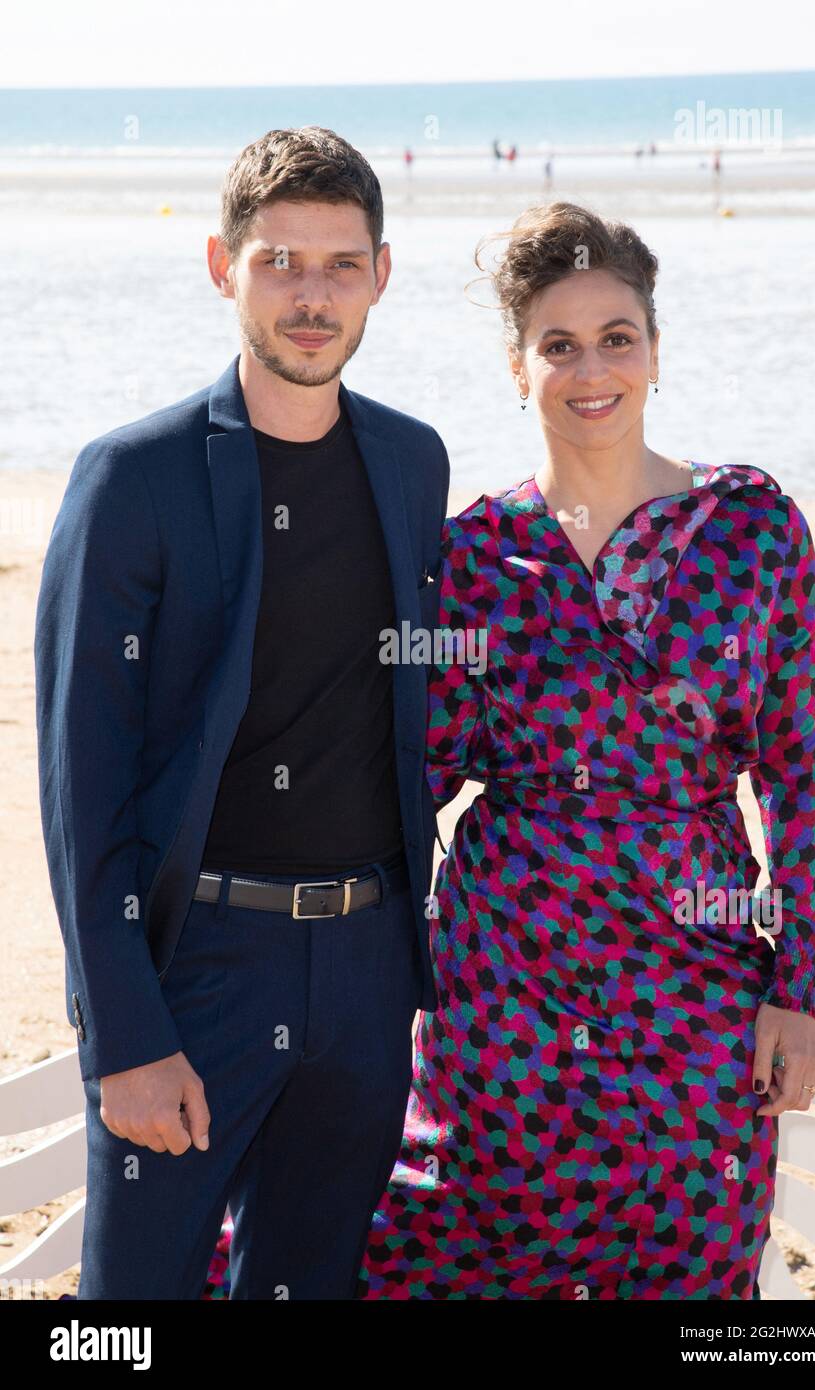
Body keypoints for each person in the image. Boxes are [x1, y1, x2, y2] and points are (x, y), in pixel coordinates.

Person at [356, 201, 815, 1299]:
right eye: (557, 344)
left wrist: (792, 988)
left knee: (691, 1255)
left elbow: (795, 772)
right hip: (504, 976)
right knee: (456, 1245)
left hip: (695, 966)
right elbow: (408, 783)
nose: (590, 369)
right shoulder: (472, 554)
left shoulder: (754, 526)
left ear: (655, 353)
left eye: (615, 337)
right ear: (515, 367)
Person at [34, 125, 450, 1300]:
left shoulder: (413, 464)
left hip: (366, 962)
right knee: (130, 1309)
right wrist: (123, 1033)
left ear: (381, 272)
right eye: (279, 262)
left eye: (340, 264)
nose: (310, 297)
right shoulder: (134, 476)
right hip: (196, 963)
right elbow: (81, 781)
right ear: (222, 266)